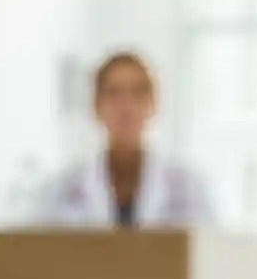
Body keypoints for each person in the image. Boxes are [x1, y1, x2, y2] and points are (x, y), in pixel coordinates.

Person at [37, 52, 214, 228]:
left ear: (153, 104)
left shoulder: (188, 189)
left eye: (137, 94)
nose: (126, 107)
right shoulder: (63, 189)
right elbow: (41, 251)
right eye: (113, 93)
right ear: (96, 105)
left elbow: (210, 250)